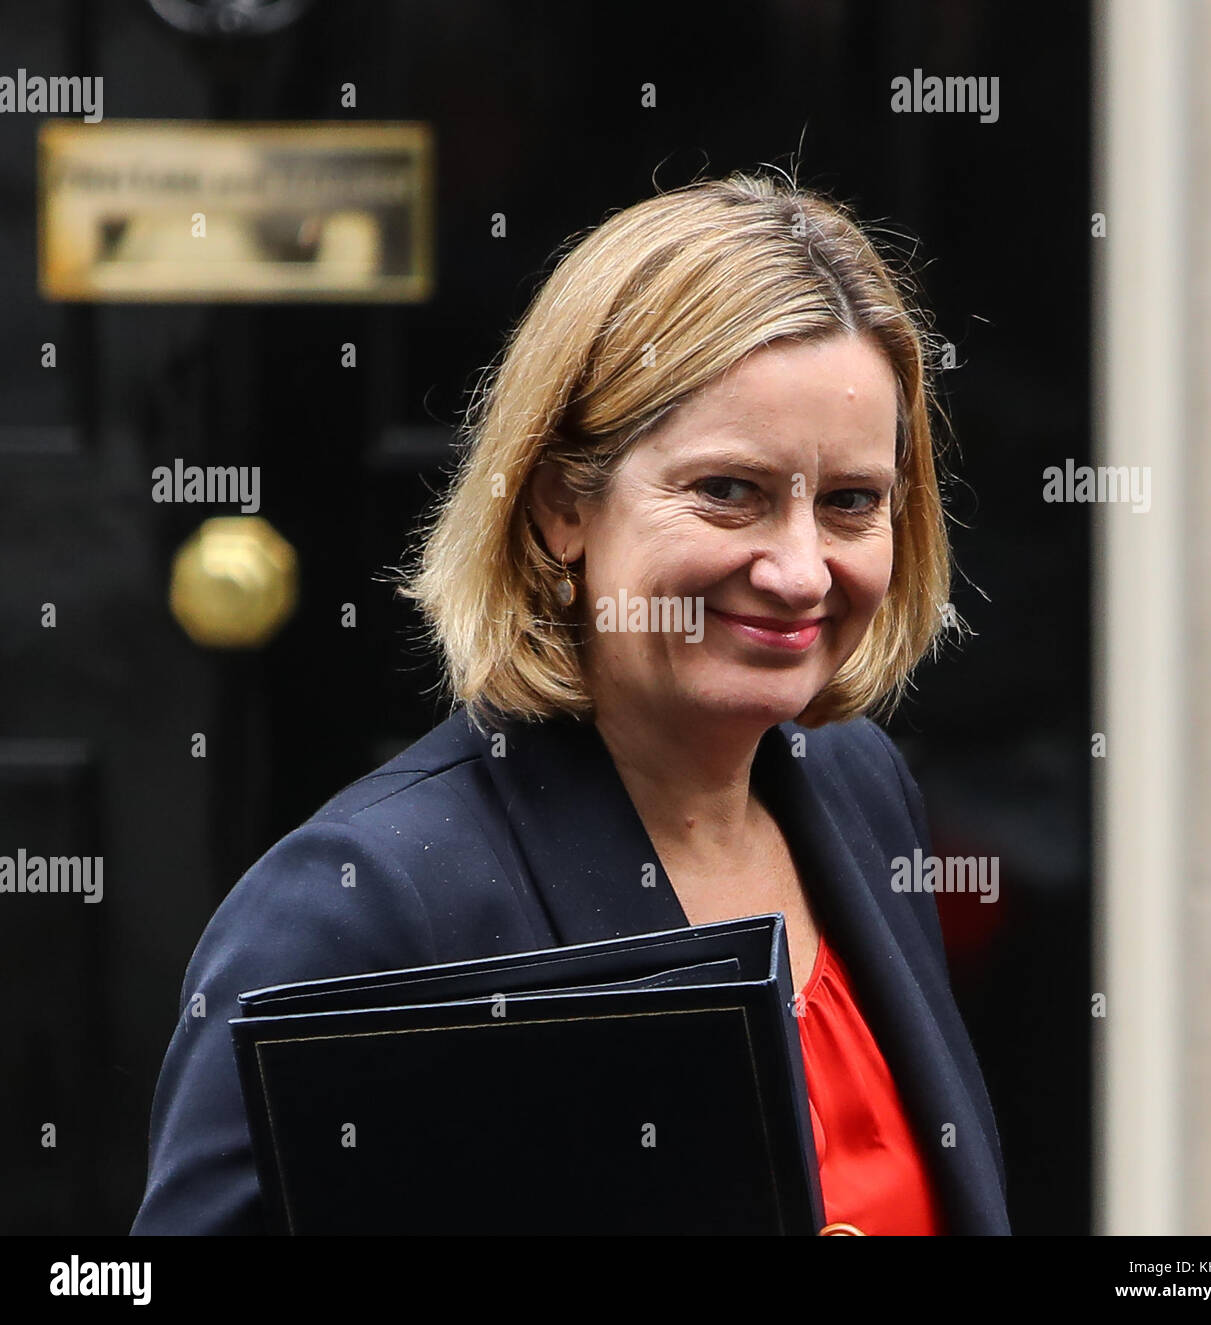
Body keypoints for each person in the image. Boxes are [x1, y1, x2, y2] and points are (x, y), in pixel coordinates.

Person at [130, 171, 1010, 1235]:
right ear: (558, 506)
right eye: (728, 490)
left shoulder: (860, 786)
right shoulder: (362, 903)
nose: (798, 568)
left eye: (849, 502)